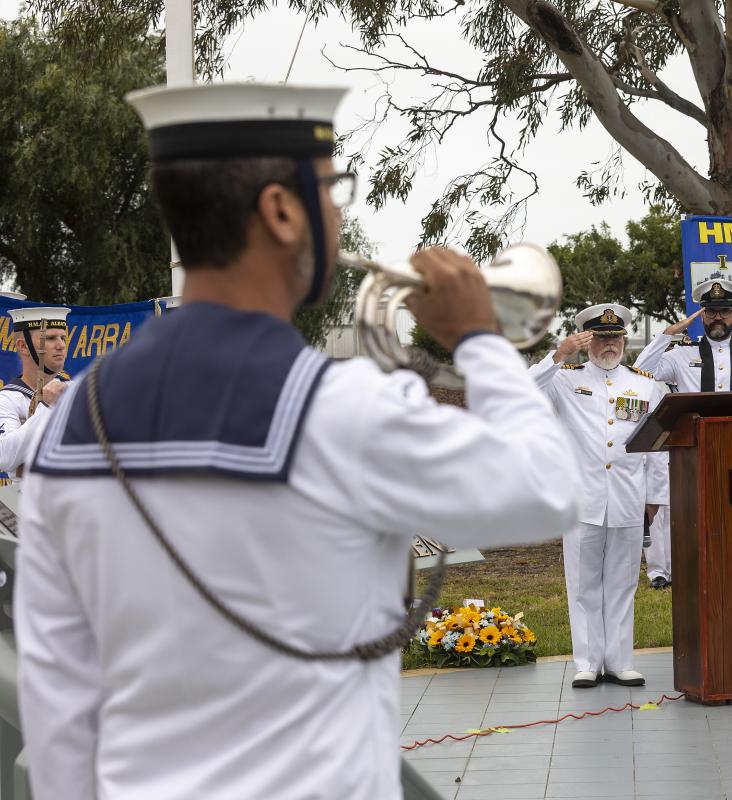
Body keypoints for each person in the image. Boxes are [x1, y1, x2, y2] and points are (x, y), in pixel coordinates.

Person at [15, 83, 579, 799]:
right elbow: (549, 489)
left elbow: (60, 699)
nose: (338, 216)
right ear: (282, 212)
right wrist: (478, 339)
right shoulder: (344, 409)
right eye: (332, 189)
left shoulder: (69, 425)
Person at [530, 304, 668, 688]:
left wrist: (655, 496)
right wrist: (558, 356)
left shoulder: (643, 384)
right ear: (587, 340)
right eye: (601, 337)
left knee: (623, 583)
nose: (610, 344)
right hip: (581, 499)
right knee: (584, 583)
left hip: (628, 497)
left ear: (624, 339)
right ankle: (587, 662)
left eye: (616, 337)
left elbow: (657, 447)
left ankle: (620, 660)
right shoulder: (565, 378)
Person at [632, 278, 732, 588]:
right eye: (711, 312)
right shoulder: (680, 354)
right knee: (693, 513)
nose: (718, 318)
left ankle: (731, 565)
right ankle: (686, 567)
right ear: (702, 315)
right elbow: (640, 374)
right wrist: (666, 336)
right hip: (692, 449)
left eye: (724, 311)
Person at [0, 307, 71, 474]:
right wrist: (45, 407)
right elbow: (3, 457)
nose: (61, 345)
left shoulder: (78, 389)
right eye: (50, 338)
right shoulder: (7, 399)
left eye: (63, 338)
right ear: (23, 346)